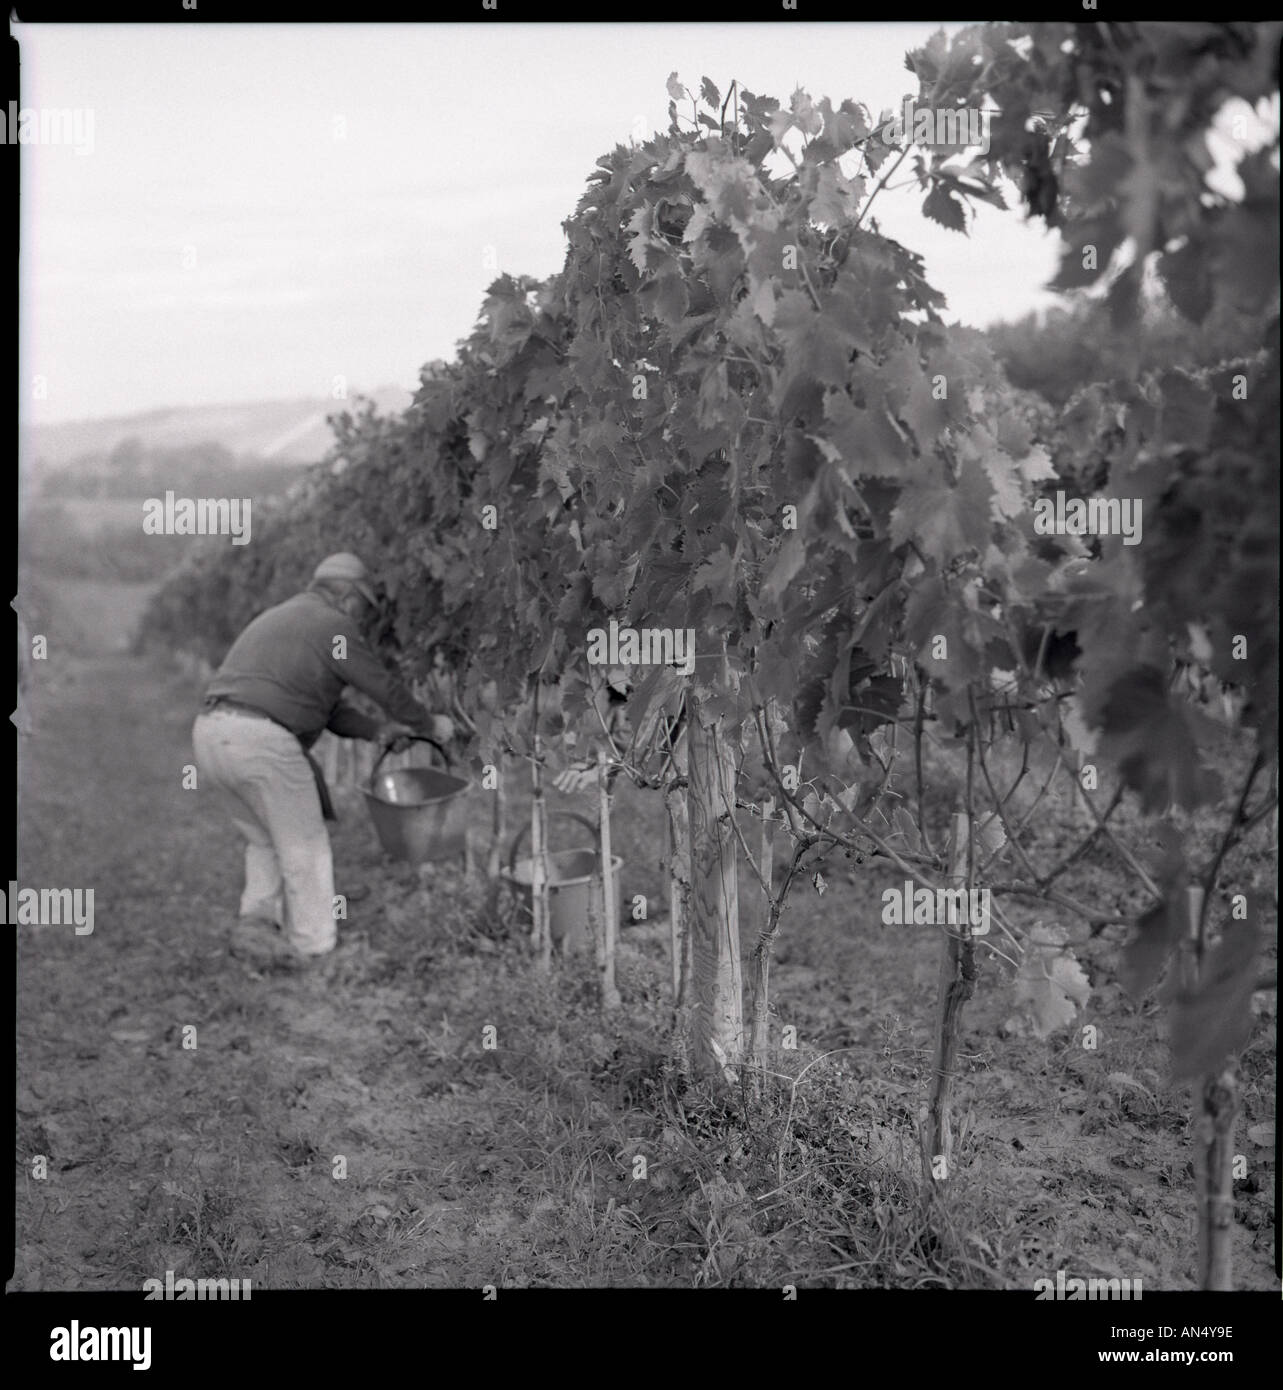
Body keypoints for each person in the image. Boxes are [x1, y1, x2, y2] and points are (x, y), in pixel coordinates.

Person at [192, 552, 453, 968]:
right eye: (364, 606)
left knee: (264, 838)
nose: (364, 617)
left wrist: (379, 732)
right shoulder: (333, 626)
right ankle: (315, 948)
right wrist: (427, 723)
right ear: (349, 597)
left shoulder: (281, 618)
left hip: (211, 734)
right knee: (305, 846)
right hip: (261, 741)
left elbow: (324, 710)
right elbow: (380, 684)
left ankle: (256, 928)